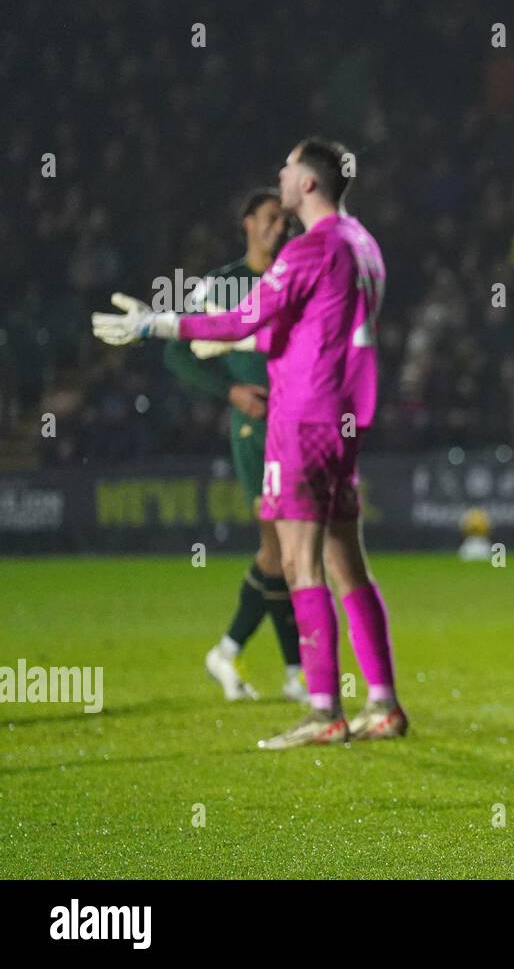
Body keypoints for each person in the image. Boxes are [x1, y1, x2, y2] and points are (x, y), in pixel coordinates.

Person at [93, 138, 405, 749]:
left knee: (298, 562)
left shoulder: (311, 246)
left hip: (302, 420)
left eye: (288, 169)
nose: (281, 178)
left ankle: (323, 711)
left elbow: (246, 316)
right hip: (343, 417)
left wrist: (157, 324)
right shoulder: (362, 244)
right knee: (348, 564)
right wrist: (249, 348)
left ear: (309, 184)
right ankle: (384, 702)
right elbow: (319, 330)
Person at [162, 188, 307, 704]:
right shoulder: (222, 285)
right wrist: (229, 390)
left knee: (283, 553)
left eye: (286, 221)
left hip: (293, 428)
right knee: (282, 549)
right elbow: (177, 355)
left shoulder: (289, 280)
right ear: (247, 222)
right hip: (255, 430)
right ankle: (276, 667)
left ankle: (260, 662)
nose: (280, 228)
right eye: (270, 219)